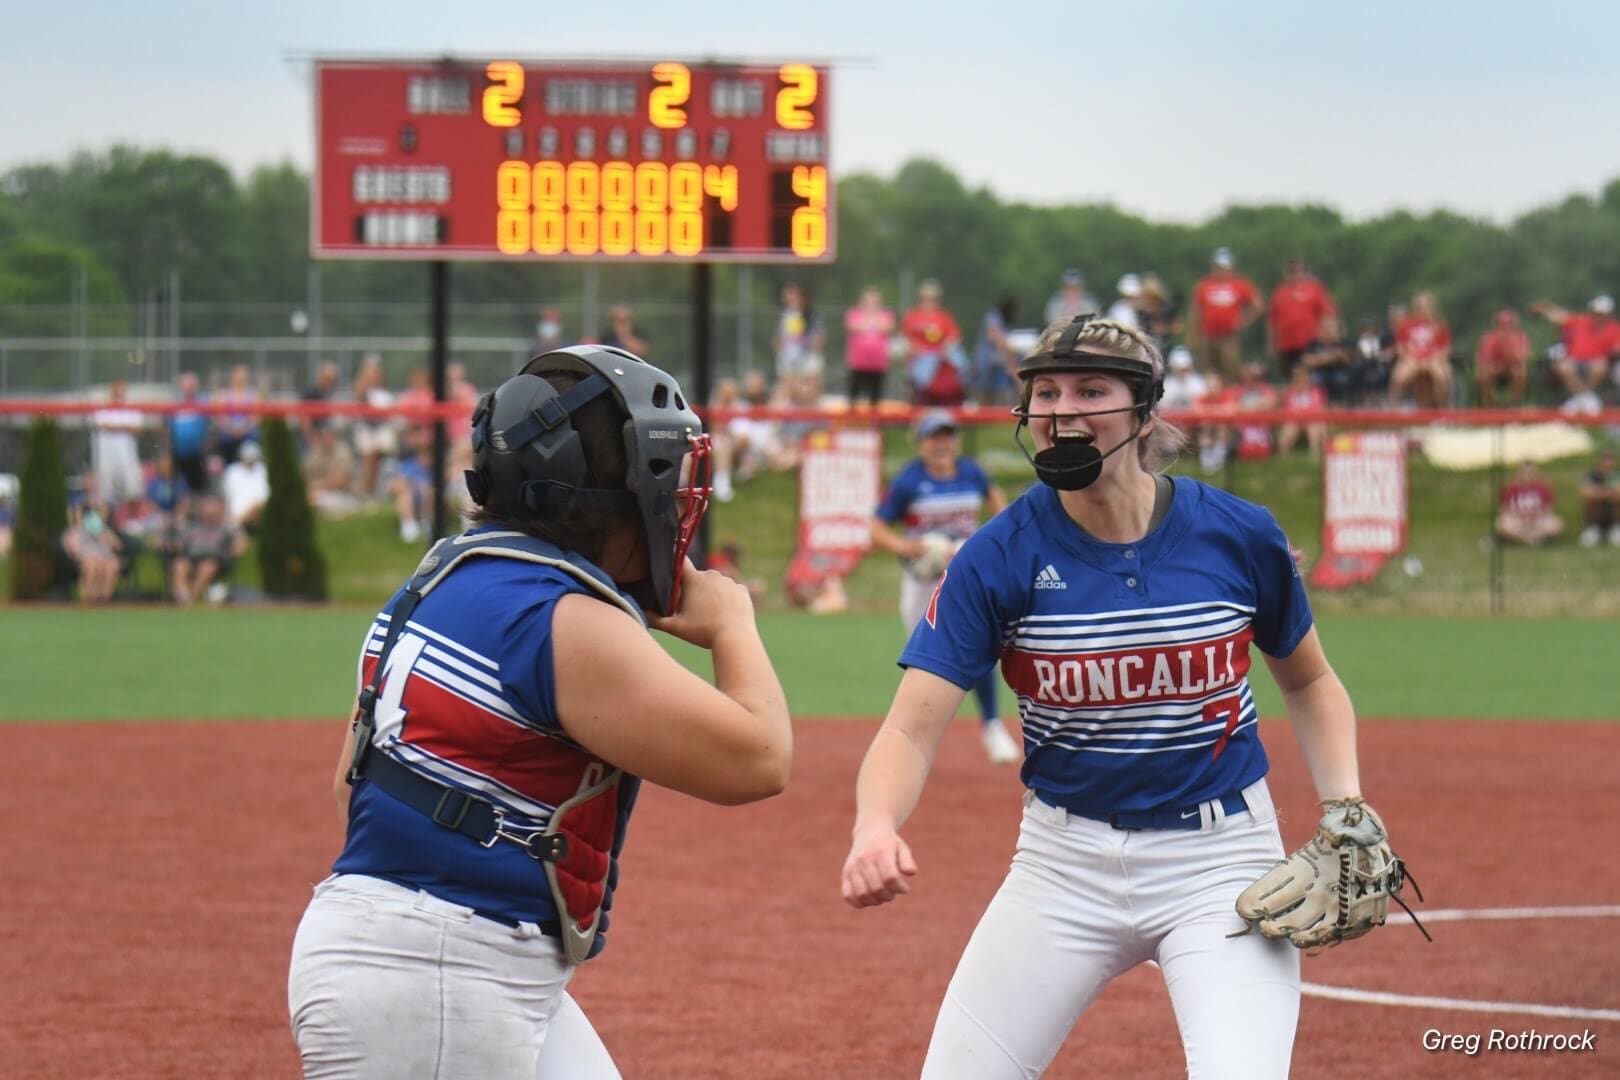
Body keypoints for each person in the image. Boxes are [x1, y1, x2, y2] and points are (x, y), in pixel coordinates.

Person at [842, 315, 1398, 1078]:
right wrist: (875, 825)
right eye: (1044, 391)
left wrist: (1346, 806)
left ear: (1144, 412)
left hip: (1221, 861)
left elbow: (1308, 679)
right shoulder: (995, 556)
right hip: (1061, 866)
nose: (1061, 408)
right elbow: (909, 730)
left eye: (1090, 389)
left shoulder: (1238, 534)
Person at [288, 344, 792, 1079]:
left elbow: (349, 788)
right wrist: (732, 625)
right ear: (599, 492)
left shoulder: (441, 577)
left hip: (411, 949)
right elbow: (760, 759)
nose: (674, 501)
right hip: (440, 969)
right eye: (657, 476)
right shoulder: (559, 618)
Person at [869, 410, 1016, 764]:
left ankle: (993, 726)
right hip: (923, 582)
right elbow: (876, 528)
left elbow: (999, 507)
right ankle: (917, 738)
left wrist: (989, 540)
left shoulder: (971, 472)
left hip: (965, 580)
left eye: (948, 435)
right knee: (927, 661)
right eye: (934, 436)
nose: (942, 443)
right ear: (920, 442)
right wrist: (909, 547)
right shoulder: (909, 481)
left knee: (982, 648)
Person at [1531, 294, 1620, 410]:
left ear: (1608, 314)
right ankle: (1585, 398)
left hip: (1597, 362)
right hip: (1574, 361)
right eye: (1596, 312)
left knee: (1599, 366)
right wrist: (1544, 308)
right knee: (1564, 367)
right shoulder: (1580, 321)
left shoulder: (1614, 328)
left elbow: (1616, 348)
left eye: (1602, 314)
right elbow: (1559, 316)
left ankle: (1581, 399)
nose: (1598, 316)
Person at [1188, 247, 1262, 386]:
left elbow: (1257, 306)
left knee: (1229, 369)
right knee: (1206, 369)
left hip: (1228, 336)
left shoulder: (1240, 284)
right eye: (1217, 267)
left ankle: (1228, 398)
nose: (1220, 271)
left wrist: (1242, 321)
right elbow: (1196, 311)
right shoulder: (1204, 285)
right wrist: (1193, 335)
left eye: (1223, 267)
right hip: (1207, 335)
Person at [170, 494, 247, 605]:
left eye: (213, 512)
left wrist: (233, 551)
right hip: (191, 557)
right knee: (179, 565)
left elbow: (240, 542)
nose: (209, 514)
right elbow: (179, 543)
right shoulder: (192, 525)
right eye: (206, 511)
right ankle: (182, 596)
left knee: (206, 567)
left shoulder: (228, 526)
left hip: (215, 559)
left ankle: (191, 599)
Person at [1267, 260, 1337, 380]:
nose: (1296, 275)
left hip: (1310, 342)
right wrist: (1271, 342)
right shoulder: (1280, 292)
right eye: (1293, 272)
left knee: (1309, 373)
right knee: (1289, 373)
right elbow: (1272, 320)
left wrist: (1329, 335)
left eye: (1299, 272)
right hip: (1286, 342)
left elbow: (1327, 313)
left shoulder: (1315, 290)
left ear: (1305, 273)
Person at [901, 279, 966, 406]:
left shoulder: (943, 316)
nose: (929, 302)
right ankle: (923, 393)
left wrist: (946, 347)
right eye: (925, 299)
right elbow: (906, 338)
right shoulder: (913, 316)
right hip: (921, 356)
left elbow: (955, 336)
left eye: (932, 299)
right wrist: (915, 349)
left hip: (939, 354)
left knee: (959, 358)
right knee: (924, 369)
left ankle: (964, 384)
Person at [1388, 291, 1453, 408]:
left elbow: (1446, 349)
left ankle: (1444, 410)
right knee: (1399, 378)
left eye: (1427, 306)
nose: (1424, 309)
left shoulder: (1440, 325)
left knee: (1441, 376)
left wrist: (1434, 358)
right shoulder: (1406, 325)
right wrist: (1410, 357)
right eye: (1421, 307)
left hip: (1433, 359)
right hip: (1412, 358)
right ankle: (1392, 410)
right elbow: (1400, 348)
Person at [91, 379, 146, 516]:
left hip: (127, 457)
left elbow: (138, 429)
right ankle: (107, 522)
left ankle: (132, 522)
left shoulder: (131, 408)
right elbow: (101, 425)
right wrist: (125, 427)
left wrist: (116, 427)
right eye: (117, 389)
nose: (120, 393)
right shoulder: (103, 408)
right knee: (105, 494)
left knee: (133, 491)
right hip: (107, 458)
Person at [774, 281, 825, 404]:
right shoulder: (784, 315)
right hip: (789, 357)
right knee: (787, 387)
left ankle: (815, 420)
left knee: (811, 388)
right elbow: (778, 339)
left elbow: (818, 339)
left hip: (807, 356)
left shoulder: (812, 315)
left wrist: (807, 342)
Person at [844, 285, 895, 408]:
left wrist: (873, 319)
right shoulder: (854, 313)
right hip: (858, 363)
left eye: (874, 300)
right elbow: (853, 327)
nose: (871, 303)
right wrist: (868, 318)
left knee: (875, 397)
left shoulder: (886, 314)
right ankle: (851, 422)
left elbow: (887, 328)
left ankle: (874, 424)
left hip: (878, 363)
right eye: (868, 300)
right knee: (854, 395)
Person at [1473, 308, 1532, 408]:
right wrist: (1495, 366)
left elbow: (1523, 357)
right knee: (1483, 374)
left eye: (1509, 324)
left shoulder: (1520, 337)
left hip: (1512, 369)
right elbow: (1483, 359)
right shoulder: (1489, 337)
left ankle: (1516, 405)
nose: (1506, 327)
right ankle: (1487, 406)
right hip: (1494, 369)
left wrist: (1510, 351)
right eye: (1503, 324)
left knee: (1520, 372)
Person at [1496, 460, 1563, 546]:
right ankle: (1532, 538)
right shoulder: (1510, 488)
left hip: (1538, 519)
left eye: (1531, 472)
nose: (1528, 475)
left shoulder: (1543, 488)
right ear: (1519, 473)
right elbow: (1503, 507)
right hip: (1517, 519)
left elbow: (1550, 507)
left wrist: (1537, 515)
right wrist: (1519, 516)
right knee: (1502, 525)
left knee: (1556, 525)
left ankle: (1523, 538)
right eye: (1525, 472)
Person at [972, 294, 1023, 405]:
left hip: (998, 361)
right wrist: (1013, 366)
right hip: (987, 362)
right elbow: (997, 340)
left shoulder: (1004, 320)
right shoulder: (993, 317)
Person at [1275, 361, 1328, 460]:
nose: (1300, 382)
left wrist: (1303, 412)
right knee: (1287, 431)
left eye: (1303, 379)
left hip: (1311, 419)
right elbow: (1286, 410)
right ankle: (1284, 456)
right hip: (1294, 420)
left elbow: (1319, 408)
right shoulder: (1289, 393)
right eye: (1297, 379)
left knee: (1313, 427)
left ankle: (1314, 454)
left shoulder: (1316, 392)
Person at [220, 439, 270, 531]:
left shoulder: (263, 470)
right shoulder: (232, 471)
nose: (250, 461)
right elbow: (227, 497)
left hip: (261, 513)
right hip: (238, 517)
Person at [1578, 450, 1620, 547]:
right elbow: (1585, 492)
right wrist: (1607, 492)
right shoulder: (1592, 475)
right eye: (1606, 460)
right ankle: (1594, 529)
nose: (1608, 463)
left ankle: (1615, 529)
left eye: (1610, 460)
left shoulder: (1617, 475)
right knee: (1593, 502)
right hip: (1596, 511)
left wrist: (1599, 491)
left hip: (1614, 510)